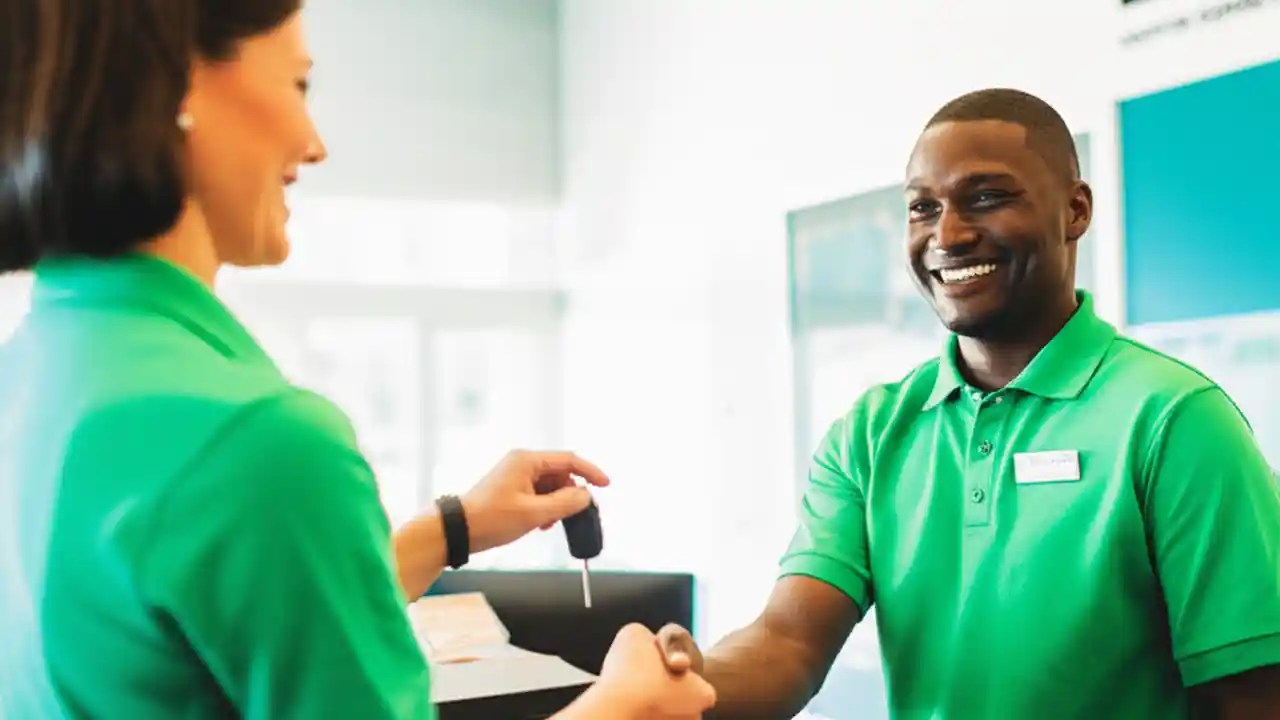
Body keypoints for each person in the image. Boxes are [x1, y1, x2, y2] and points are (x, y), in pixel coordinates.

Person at [0, 2, 715, 718]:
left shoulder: (36, 372)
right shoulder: (255, 441)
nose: (314, 146)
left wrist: (452, 528)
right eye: (298, 86)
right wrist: (628, 708)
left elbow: (201, 617)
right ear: (181, 85)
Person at [657, 88, 1280, 718]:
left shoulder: (1174, 418)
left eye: (986, 198)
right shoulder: (872, 432)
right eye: (923, 208)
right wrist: (686, 682)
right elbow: (787, 644)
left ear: (1075, 210)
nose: (947, 235)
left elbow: (1250, 697)